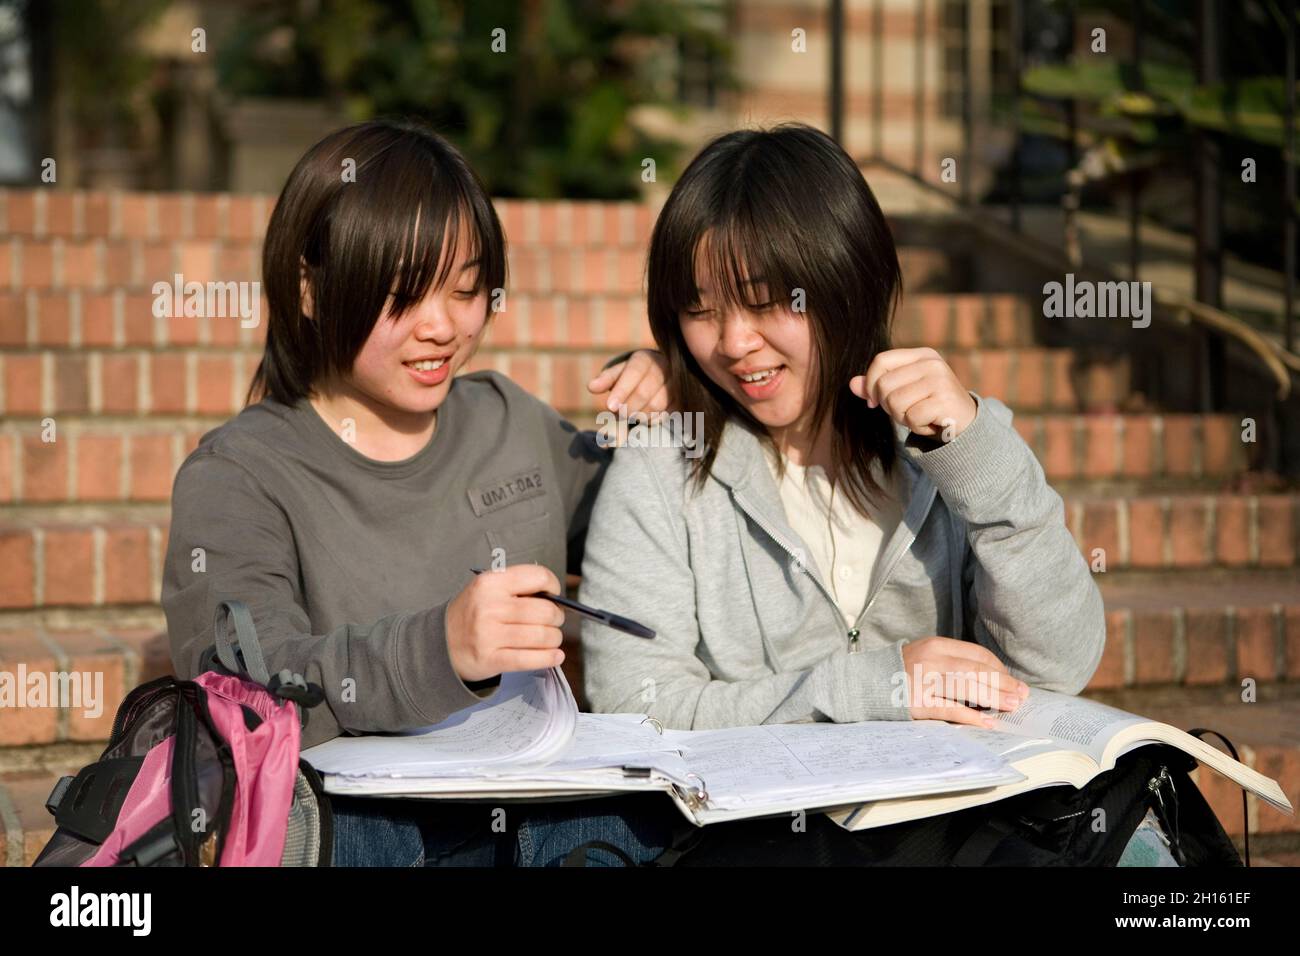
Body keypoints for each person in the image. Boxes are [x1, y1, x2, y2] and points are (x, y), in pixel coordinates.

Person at [578, 124, 1176, 865]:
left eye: (766, 303)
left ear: (844, 282)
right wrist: (877, 685)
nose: (733, 343)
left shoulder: (940, 449)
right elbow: (637, 709)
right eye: (700, 310)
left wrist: (977, 454)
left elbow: (1059, 661)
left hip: (959, 826)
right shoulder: (663, 465)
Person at [162, 117, 675, 866]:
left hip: (553, 816)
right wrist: (440, 649)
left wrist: (672, 400)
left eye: (466, 291)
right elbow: (247, 697)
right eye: (402, 295)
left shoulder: (507, 420)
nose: (442, 327)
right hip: (376, 837)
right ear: (310, 289)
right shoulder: (240, 476)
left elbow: (656, 525)